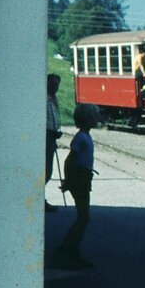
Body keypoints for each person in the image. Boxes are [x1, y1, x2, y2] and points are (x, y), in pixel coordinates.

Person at [54, 103, 99, 269]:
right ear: (88, 119)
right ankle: (66, 250)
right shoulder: (81, 138)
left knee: (83, 217)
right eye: (95, 116)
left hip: (84, 179)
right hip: (79, 179)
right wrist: (68, 181)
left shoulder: (84, 136)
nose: (97, 119)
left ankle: (71, 250)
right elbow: (69, 160)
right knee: (83, 217)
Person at [45, 73, 62, 212]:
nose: (55, 87)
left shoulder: (54, 99)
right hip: (46, 136)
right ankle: (41, 200)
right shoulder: (44, 99)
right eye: (52, 84)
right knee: (46, 170)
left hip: (52, 136)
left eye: (57, 85)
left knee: (48, 170)